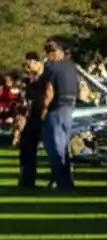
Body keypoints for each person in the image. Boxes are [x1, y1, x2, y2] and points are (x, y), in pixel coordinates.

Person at [40, 39, 80, 192]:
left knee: (55, 147)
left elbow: (49, 91)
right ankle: (65, 181)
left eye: (48, 53)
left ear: (54, 52)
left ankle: (62, 183)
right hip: (69, 108)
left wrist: (44, 109)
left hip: (56, 108)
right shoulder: (71, 66)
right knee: (63, 147)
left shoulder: (52, 67)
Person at [17, 53, 45, 186]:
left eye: (29, 64)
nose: (28, 68)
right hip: (32, 117)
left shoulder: (46, 77)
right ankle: (27, 178)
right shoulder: (29, 80)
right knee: (26, 146)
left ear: (37, 62)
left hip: (44, 115)